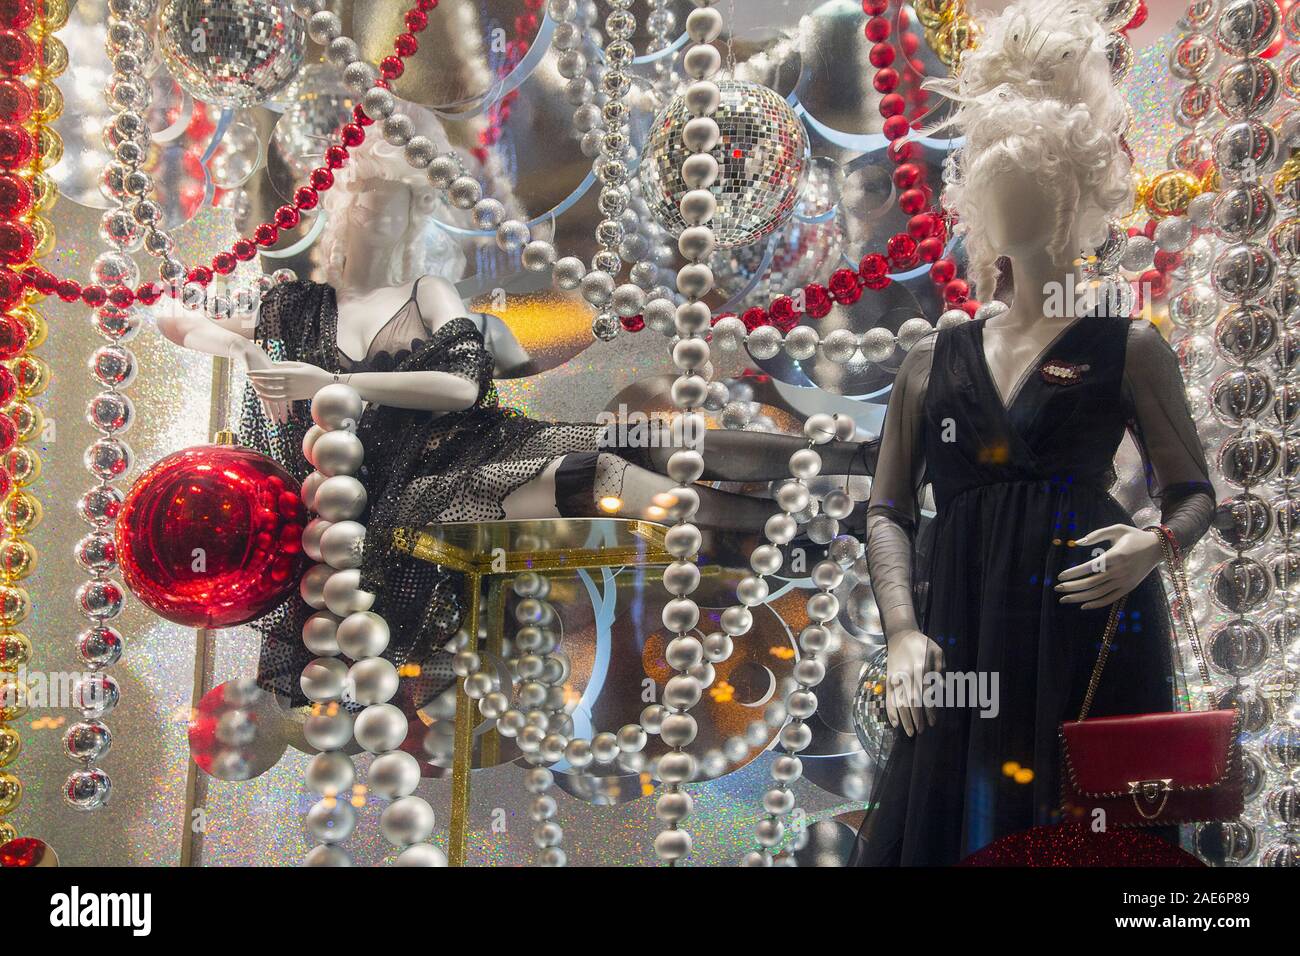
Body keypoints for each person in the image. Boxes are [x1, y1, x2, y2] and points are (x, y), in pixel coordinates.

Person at [156, 122, 873, 706]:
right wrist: (240, 349)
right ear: (341, 206)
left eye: (397, 202)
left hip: (463, 448)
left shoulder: (427, 292)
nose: (379, 214)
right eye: (367, 197)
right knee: (606, 477)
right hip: (390, 508)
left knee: (644, 442)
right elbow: (167, 313)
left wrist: (328, 380)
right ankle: (807, 536)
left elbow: (464, 389)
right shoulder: (291, 306)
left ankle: (844, 467)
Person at [850, 2, 1215, 865]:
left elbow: (1194, 491)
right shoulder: (931, 361)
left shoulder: (1125, 347)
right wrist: (902, 631)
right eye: (998, 176)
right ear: (975, 198)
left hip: (1090, 630)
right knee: (951, 820)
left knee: (1085, 828)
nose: (1013, 198)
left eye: (1035, 182)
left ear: (1070, 204)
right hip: (964, 631)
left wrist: (1153, 544)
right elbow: (887, 510)